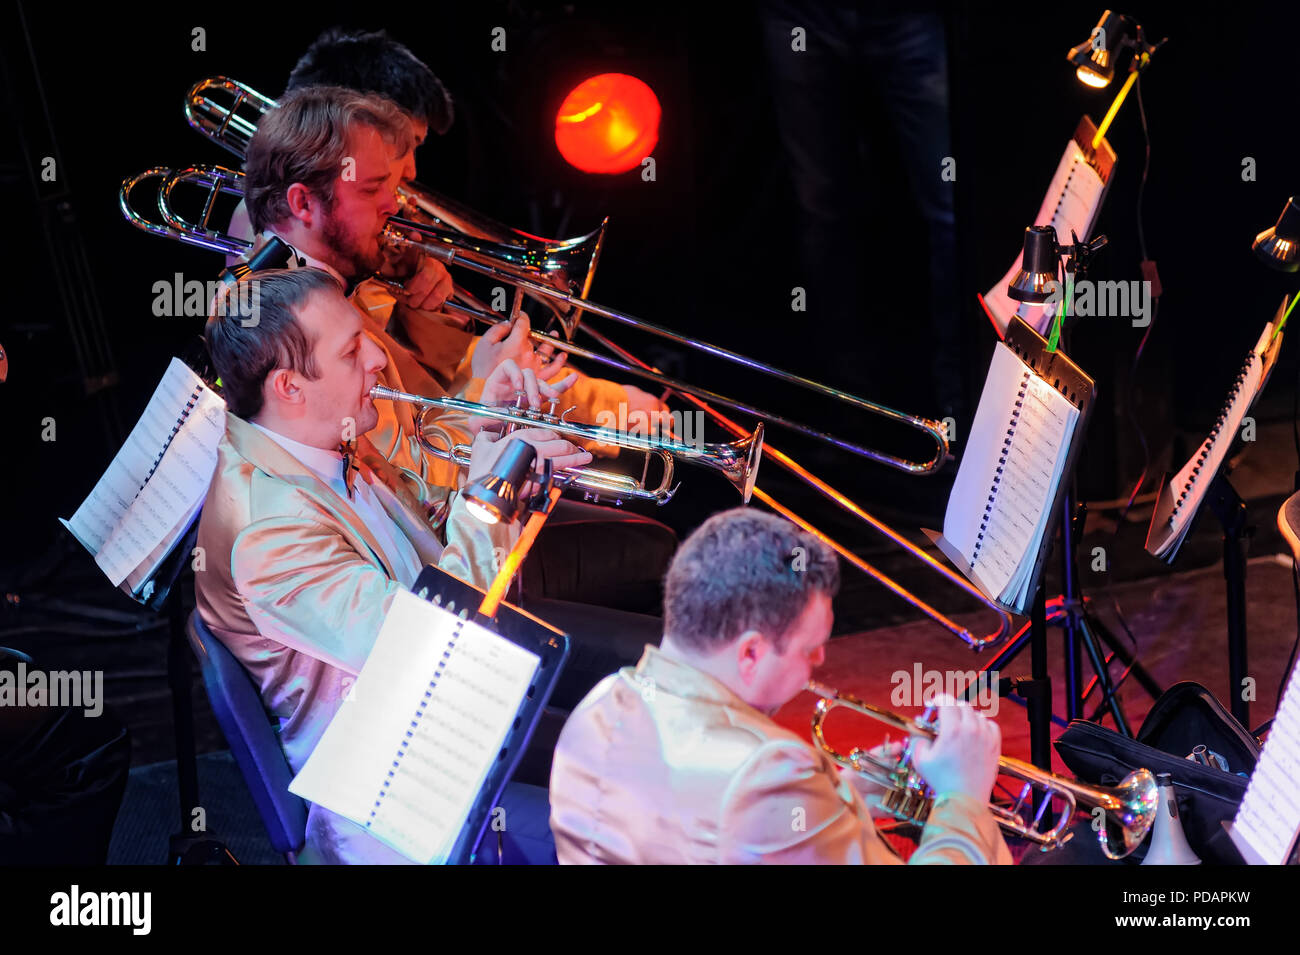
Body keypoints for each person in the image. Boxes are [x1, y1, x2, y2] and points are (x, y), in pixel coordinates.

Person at [196, 267, 590, 863]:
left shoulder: (323, 437)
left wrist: (495, 440)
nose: (378, 358)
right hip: (394, 800)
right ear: (290, 388)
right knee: (628, 823)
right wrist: (494, 492)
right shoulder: (268, 535)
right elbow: (431, 640)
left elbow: (429, 539)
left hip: (451, 716)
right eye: (352, 351)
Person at [548, 508, 1014, 864]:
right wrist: (964, 796)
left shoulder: (601, 704)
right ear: (750, 653)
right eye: (810, 650)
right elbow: (746, 807)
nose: (820, 662)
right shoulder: (765, 771)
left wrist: (843, 797)